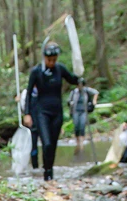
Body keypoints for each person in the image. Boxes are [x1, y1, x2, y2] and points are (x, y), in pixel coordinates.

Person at [23, 42, 80, 181]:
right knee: (46, 143)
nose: (52, 62)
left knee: (53, 144)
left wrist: (80, 78)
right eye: (49, 60)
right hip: (42, 112)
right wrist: (27, 113)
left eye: (54, 60)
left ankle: (50, 172)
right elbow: (29, 93)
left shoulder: (60, 69)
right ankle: (46, 172)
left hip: (57, 112)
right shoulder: (36, 72)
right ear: (44, 58)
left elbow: (72, 79)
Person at [68, 78, 99, 152]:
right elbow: (69, 101)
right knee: (76, 126)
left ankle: (81, 142)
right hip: (75, 111)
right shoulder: (74, 92)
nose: (80, 86)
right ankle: (77, 141)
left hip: (84, 111)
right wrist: (70, 103)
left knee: (82, 125)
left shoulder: (86, 90)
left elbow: (96, 92)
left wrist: (94, 101)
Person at [16, 88, 40, 169]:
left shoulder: (45, 90)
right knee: (33, 146)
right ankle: (35, 166)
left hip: (43, 122)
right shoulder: (26, 93)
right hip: (32, 123)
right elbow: (24, 107)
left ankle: (47, 166)